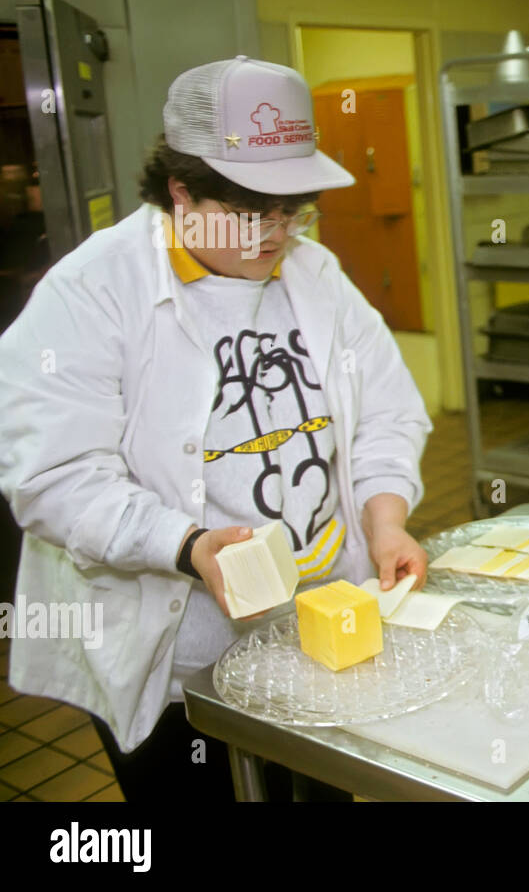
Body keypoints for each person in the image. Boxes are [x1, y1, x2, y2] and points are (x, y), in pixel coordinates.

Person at [0, 56, 433, 799]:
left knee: (321, 792)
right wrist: (187, 544)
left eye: (291, 210)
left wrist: (385, 516)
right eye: (250, 212)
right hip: (182, 659)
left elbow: (388, 411)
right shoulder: (94, 290)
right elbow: (54, 476)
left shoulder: (315, 273)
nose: (275, 235)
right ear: (180, 189)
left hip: (320, 631)